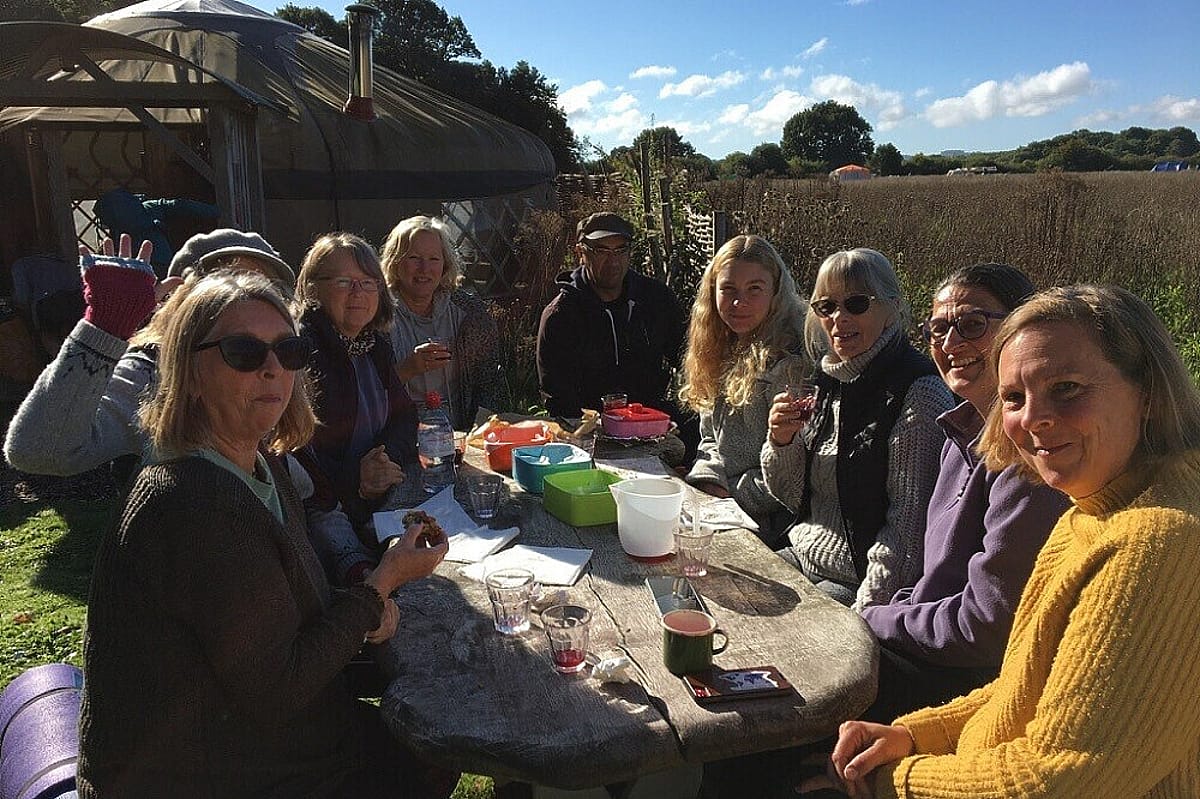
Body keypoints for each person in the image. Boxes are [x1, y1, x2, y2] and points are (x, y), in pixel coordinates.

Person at [811, 284, 1200, 799]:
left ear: (1147, 393)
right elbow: (1027, 689)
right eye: (1014, 397)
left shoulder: (1157, 543)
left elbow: (1056, 780)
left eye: (1067, 388)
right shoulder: (1091, 509)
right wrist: (912, 734)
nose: (1033, 418)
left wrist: (887, 780)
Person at [77, 270, 455, 797]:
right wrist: (380, 587)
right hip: (204, 774)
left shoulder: (261, 464)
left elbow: (283, 616)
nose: (273, 369)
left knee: (436, 739)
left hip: (252, 737)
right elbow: (281, 689)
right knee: (433, 753)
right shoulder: (194, 504)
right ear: (188, 370)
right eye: (242, 352)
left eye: (288, 350)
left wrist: (362, 609)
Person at [859, 263, 1069, 721]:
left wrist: (873, 619)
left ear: (1019, 332)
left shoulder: (1030, 458)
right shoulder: (958, 435)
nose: (951, 344)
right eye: (937, 330)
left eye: (972, 325)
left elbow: (986, 628)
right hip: (920, 645)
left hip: (968, 686)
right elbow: (930, 578)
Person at [3, 229, 293, 478]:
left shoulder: (281, 358)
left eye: (267, 286)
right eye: (231, 279)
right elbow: (38, 451)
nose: (253, 295)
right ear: (181, 293)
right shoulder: (152, 372)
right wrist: (104, 328)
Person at [762, 248, 953, 609]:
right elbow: (791, 497)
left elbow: (908, 535)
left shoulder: (917, 392)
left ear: (892, 308)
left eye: (857, 304)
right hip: (801, 554)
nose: (839, 318)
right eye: (826, 307)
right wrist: (781, 441)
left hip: (854, 583)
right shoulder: (830, 378)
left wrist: (862, 617)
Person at [680, 234, 808, 544]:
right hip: (723, 507)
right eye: (728, 290)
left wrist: (732, 494)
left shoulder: (790, 361)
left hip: (774, 525)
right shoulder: (720, 345)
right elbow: (710, 435)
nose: (739, 303)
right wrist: (710, 480)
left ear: (775, 292)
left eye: (755, 289)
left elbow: (797, 471)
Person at [536, 212, 692, 446]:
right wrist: (598, 430)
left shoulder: (655, 299)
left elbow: (689, 357)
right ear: (581, 253)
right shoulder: (561, 316)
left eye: (621, 250)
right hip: (591, 431)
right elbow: (558, 400)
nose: (613, 261)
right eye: (601, 251)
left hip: (652, 420)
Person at [294, 233, 417, 528]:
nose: (358, 292)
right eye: (343, 282)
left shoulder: (373, 346)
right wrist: (356, 479)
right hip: (323, 518)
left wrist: (383, 465)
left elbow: (404, 417)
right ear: (313, 290)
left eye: (368, 282)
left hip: (374, 504)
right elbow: (294, 454)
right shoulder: (300, 353)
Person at [379, 214, 502, 429]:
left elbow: (489, 386)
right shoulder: (375, 316)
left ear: (445, 264)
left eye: (434, 259)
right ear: (396, 261)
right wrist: (407, 369)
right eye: (414, 258)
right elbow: (363, 398)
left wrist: (477, 434)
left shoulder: (469, 313)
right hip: (395, 441)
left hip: (461, 435)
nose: (424, 269)